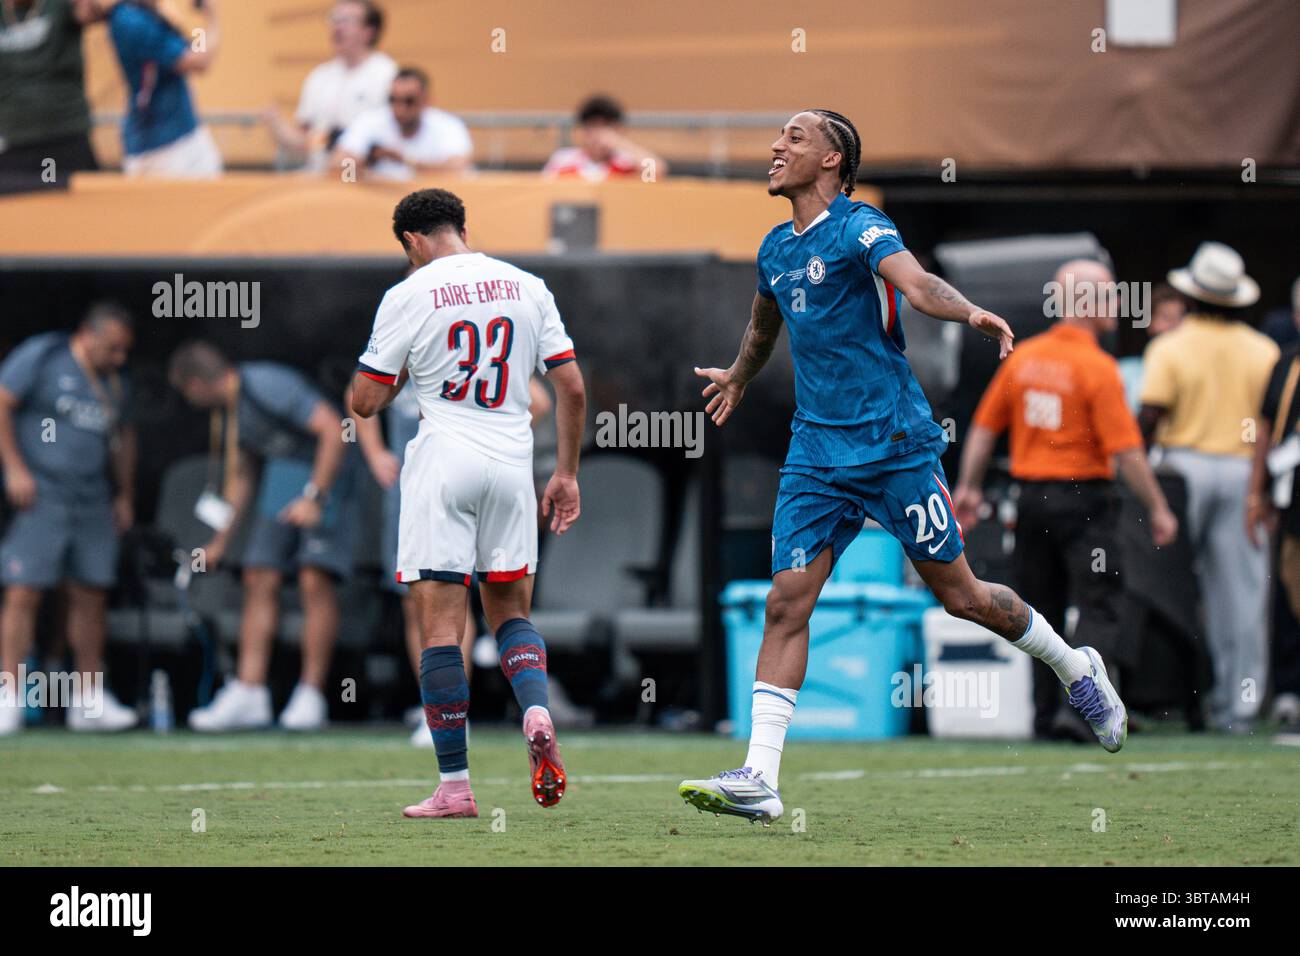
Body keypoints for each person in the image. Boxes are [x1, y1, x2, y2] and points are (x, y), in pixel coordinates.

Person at [678, 110, 1128, 825]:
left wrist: (971, 312)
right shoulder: (773, 247)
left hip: (894, 445)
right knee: (785, 602)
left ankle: (1075, 666)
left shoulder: (860, 227)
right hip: (817, 454)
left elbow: (918, 286)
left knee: (963, 597)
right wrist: (738, 373)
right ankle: (760, 777)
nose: (776, 147)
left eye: (794, 139)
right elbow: (767, 321)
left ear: (832, 160)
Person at [351, 188, 586, 818]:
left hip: (441, 466)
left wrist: (402, 367)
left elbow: (365, 402)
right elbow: (569, 386)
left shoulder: (407, 294)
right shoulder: (526, 284)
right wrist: (565, 473)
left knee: (440, 631)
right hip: (512, 466)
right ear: (460, 226)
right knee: (510, 617)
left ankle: (454, 786)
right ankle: (535, 708)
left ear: (410, 241)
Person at [953, 259, 1178, 740]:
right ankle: (1082, 711)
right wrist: (1158, 507)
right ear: (1090, 303)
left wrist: (968, 488)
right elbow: (1127, 451)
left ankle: (1044, 715)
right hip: (1085, 502)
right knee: (1100, 604)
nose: (1119, 304)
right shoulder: (1098, 367)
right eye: (1112, 296)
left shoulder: (1025, 357)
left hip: (1031, 500)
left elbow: (984, 429)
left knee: (1040, 610)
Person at [168, 343, 357, 731]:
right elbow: (243, 474)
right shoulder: (233, 412)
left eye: (186, 393)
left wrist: (315, 497)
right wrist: (220, 540)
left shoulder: (265, 384)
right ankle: (249, 691)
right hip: (283, 474)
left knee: (312, 578)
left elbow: (334, 430)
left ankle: (311, 694)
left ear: (196, 383)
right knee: (258, 574)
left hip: (328, 474)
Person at [1139, 242, 1278, 731]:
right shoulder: (1264, 350)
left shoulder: (1170, 346)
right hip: (1245, 474)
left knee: (1166, 588)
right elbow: (1271, 426)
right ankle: (1237, 708)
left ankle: (1170, 699)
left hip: (1181, 471)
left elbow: (1151, 414)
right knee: (1240, 597)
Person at [0, 303, 139, 733]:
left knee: (91, 594)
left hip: (94, 498)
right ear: (88, 333)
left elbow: (125, 436)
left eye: (124, 351)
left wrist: (125, 495)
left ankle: (88, 700)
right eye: (112, 348)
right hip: (43, 494)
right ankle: (8, 695)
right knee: (24, 591)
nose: (119, 358)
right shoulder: (43, 356)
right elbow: (2, 402)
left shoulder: (115, 381)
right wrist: (14, 468)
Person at [351, 364, 475, 748]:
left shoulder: (463, 338)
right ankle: (433, 708)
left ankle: (455, 711)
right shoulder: (400, 338)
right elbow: (357, 394)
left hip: (454, 486)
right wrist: (374, 454)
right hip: (406, 494)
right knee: (412, 599)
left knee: (452, 599)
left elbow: (535, 401)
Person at [265, 0, 396, 171]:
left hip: (368, 177)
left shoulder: (387, 75)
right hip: (322, 175)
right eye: (334, 19)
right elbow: (307, 138)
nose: (337, 28)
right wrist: (279, 128)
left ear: (368, 31)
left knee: (348, 177)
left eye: (346, 20)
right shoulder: (319, 77)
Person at [1246, 331, 1300, 728]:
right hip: (1294, 492)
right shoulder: (1287, 364)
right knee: (1290, 585)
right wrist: (1255, 494)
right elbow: (1265, 430)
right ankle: (1289, 690)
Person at [106, 0, 223, 177]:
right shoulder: (132, 20)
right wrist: (211, 18)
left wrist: (199, 24)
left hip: (166, 141)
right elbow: (200, 60)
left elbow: (195, 49)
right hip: (168, 146)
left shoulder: (138, 17)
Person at [0, 0, 103, 191]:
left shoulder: (58, 6)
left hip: (61, 138)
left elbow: (94, 12)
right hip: (12, 142)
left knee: (62, 205)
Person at [333, 67, 471, 181]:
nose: (400, 109)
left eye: (409, 101)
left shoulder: (447, 126)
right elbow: (339, 163)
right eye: (393, 100)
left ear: (426, 101)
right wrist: (365, 160)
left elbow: (458, 167)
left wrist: (406, 161)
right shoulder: (369, 122)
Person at [542, 94, 666, 181]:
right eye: (592, 127)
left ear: (619, 130)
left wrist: (618, 143)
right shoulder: (562, 160)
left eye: (606, 127)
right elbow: (543, 192)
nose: (598, 135)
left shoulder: (627, 162)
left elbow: (655, 172)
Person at [1118, 282, 1186, 412]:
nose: (1174, 325)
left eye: (1180, 319)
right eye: (1166, 317)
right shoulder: (1123, 372)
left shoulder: (1194, 374)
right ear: (1150, 323)